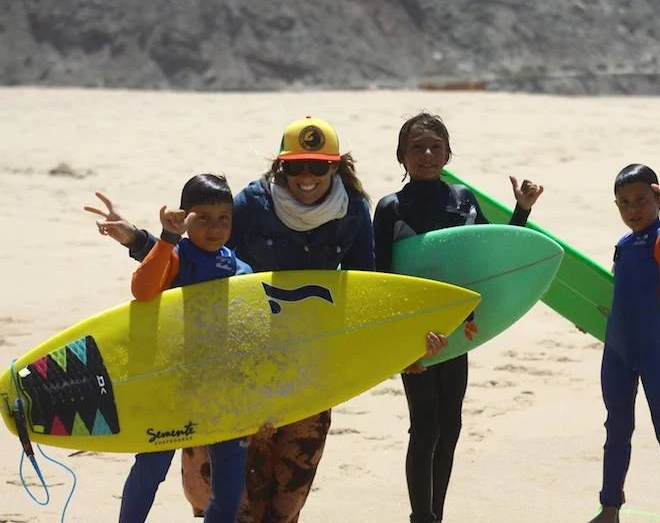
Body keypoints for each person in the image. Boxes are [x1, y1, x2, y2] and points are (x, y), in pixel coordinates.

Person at [87, 116, 445, 522]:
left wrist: (402, 346)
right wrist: (140, 239)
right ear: (280, 166)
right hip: (239, 362)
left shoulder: (352, 212)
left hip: (311, 363)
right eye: (295, 167)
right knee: (231, 489)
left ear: (336, 165)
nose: (306, 176)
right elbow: (196, 261)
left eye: (318, 166)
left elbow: (366, 290)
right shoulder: (250, 206)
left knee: (289, 491)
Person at [372, 112, 544, 523]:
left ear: (448, 153)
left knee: (450, 423)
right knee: (424, 425)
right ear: (402, 156)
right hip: (413, 331)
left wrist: (521, 211)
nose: (427, 154)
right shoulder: (390, 208)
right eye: (417, 148)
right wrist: (398, 341)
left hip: (456, 329)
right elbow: (379, 277)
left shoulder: (462, 198)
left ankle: (437, 515)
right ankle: (422, 517)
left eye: (435, 146)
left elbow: (489, 257)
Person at [120, 173, 251, 523]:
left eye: (223, 218)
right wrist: (166, 238)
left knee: (229, 483)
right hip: (172, 386)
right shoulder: (176, 257)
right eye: (203, 218)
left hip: (222, 389)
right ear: (185, 216)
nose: (215, 227)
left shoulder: (241, 270)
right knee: (150, 468)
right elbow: (143, 290)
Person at [588, 161, 660, 523]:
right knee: (616, 429)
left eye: (641, 200)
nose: (633, 209)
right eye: (624, 203)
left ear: (659, 200)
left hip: (654, 350)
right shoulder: (622, 245)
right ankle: (609, 508)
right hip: (617, 350)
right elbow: (620, 296)